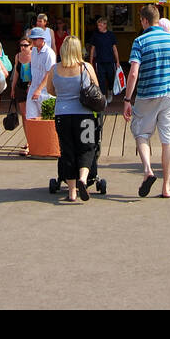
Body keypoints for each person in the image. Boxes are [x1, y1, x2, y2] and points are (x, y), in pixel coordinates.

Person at [123, 3, 170, 199]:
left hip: (147, 94)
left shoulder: (140, 41)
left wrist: (127, 99)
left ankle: (147, 170)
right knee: (168, 140)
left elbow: (134, 72)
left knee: (141, 133)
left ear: (144, 20)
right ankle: (166, 187)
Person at [45, 36, 99, 203]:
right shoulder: (86, 67)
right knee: (87, 148)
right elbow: (96, 89)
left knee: (67, 151)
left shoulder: (55, 69)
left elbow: (50, 90)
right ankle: (83, 179)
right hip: (85, 115)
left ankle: (71, 192)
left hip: (63, 115)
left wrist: (64, 94)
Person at [87, 17, 120, 106]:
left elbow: (114, 48)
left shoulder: (110, 35)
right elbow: (92, 49)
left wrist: (117, 61)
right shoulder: (95, 35)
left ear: (105, 25)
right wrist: (91, 62)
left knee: (111, 78)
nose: (99, 27)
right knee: (100, 80)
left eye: (100, 25)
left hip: (110, 61)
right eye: (98, 25)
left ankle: (110, 91)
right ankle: (104, 97)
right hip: (99, 61)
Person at [26, 27, 57, 119]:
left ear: (42, 39)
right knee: (31, 117)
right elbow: (33, 70)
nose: (33, 41)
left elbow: (49, 73)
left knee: (45, 118)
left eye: (35, 39)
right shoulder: (34, 51)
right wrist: (30, 85)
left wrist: (39, 90)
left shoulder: (49, 53)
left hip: (45, 91)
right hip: (33, 88)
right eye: (32, 39)